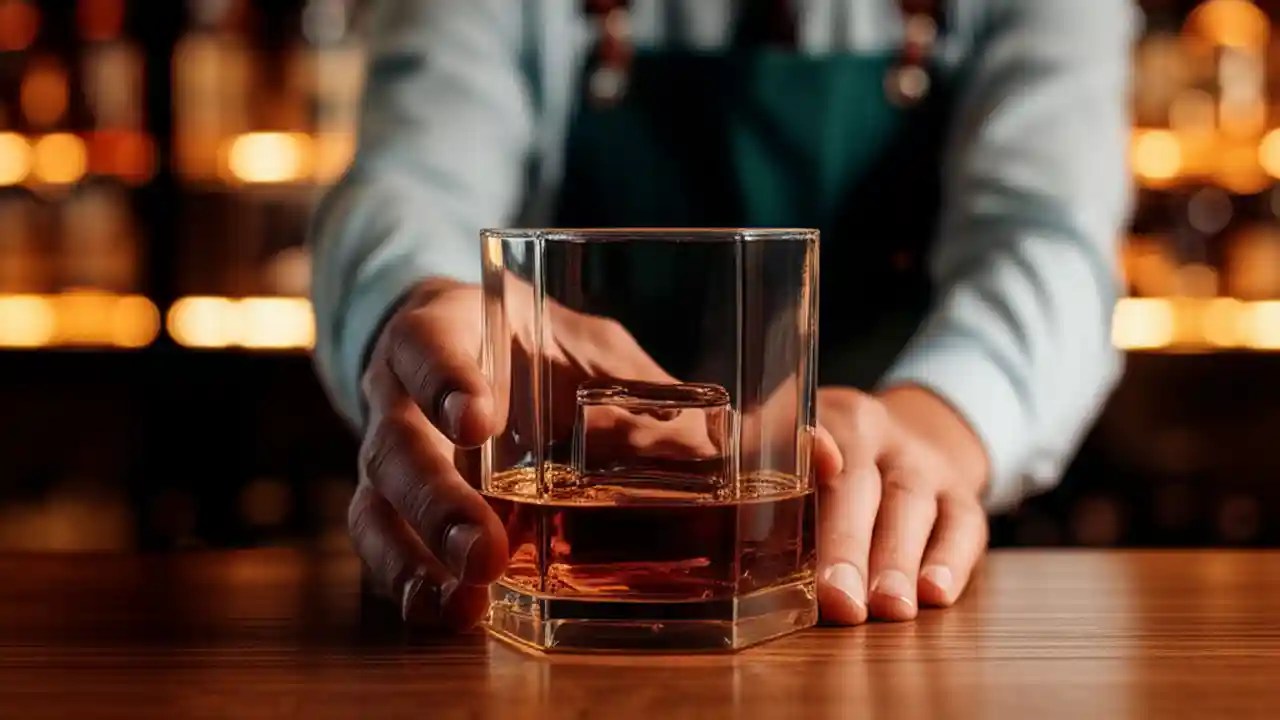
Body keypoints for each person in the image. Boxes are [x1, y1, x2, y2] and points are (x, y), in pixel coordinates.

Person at [310, 0, 1134, 629]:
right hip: (570, 590)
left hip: (885, 581)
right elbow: (409, 181)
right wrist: (415, 310)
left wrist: (932, 427)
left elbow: (1047, 236)